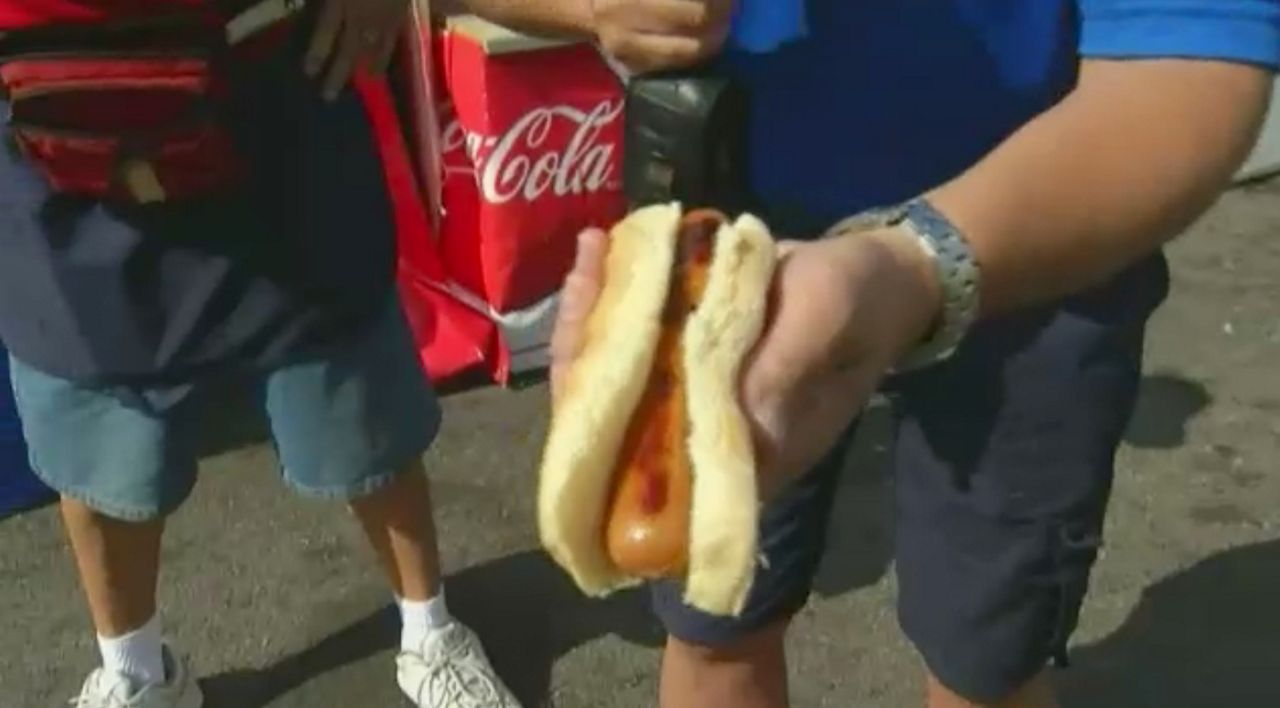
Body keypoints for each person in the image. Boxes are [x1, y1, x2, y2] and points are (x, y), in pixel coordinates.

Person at [457, 1, 1280, 707]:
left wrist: (912, 270)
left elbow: (1194, 54)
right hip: (726, 231)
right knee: (711, 624)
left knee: (987, 664)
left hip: (1041, 246)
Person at [0, 1, 519, 707]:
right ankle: (136, 671)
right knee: (91, 416)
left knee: (356, 393)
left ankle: (431, 631)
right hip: (52, 122)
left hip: (270, 88)